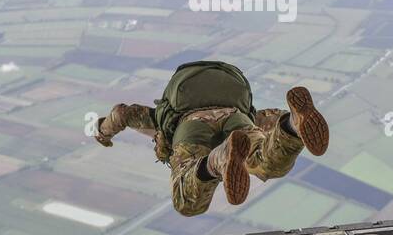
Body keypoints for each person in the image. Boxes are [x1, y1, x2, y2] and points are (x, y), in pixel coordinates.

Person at [93, 60, 329, 216]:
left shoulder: (155, 117)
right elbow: (269, 116)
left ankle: (216, 161)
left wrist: (103, 133)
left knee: (187, 201)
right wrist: (286, 121)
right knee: (264, 161)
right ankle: (293, 127)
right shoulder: (244, 110)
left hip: (191, 125)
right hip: (236, 116)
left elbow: (120, 114)